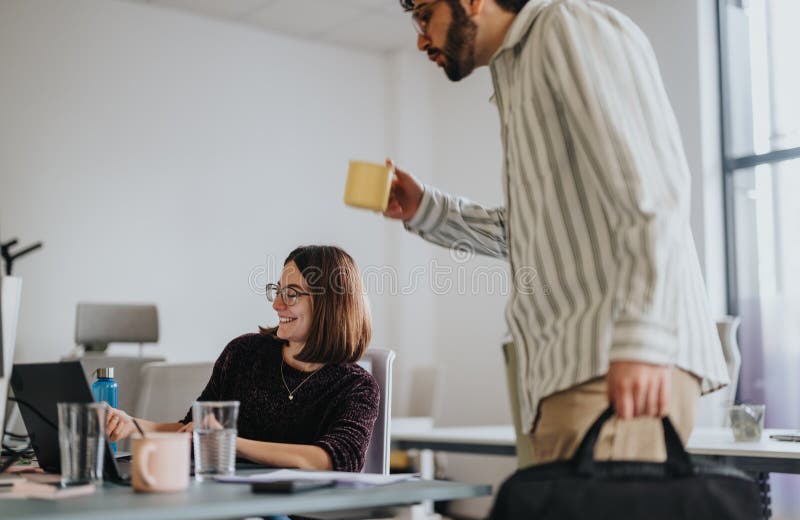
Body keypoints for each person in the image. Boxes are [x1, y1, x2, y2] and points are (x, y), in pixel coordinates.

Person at [385, 0, 730, 464]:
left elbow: (653, 190)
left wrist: (640, 342)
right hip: (573, 369)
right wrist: (426, 208)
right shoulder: (516, 72)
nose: (421, 38)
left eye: (425, 15)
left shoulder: (564, 27)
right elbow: (534, 232)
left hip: (610, 362)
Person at [104, 245, 379, 473]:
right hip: (218, 499)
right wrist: (134, 425)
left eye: (291, 294)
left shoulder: (357, 387)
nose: (277, 304)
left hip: (290, 516)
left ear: (330, 304)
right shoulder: (244, 354)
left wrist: (230, 443)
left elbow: (336, 460)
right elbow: (192, 429)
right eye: (278, 290)